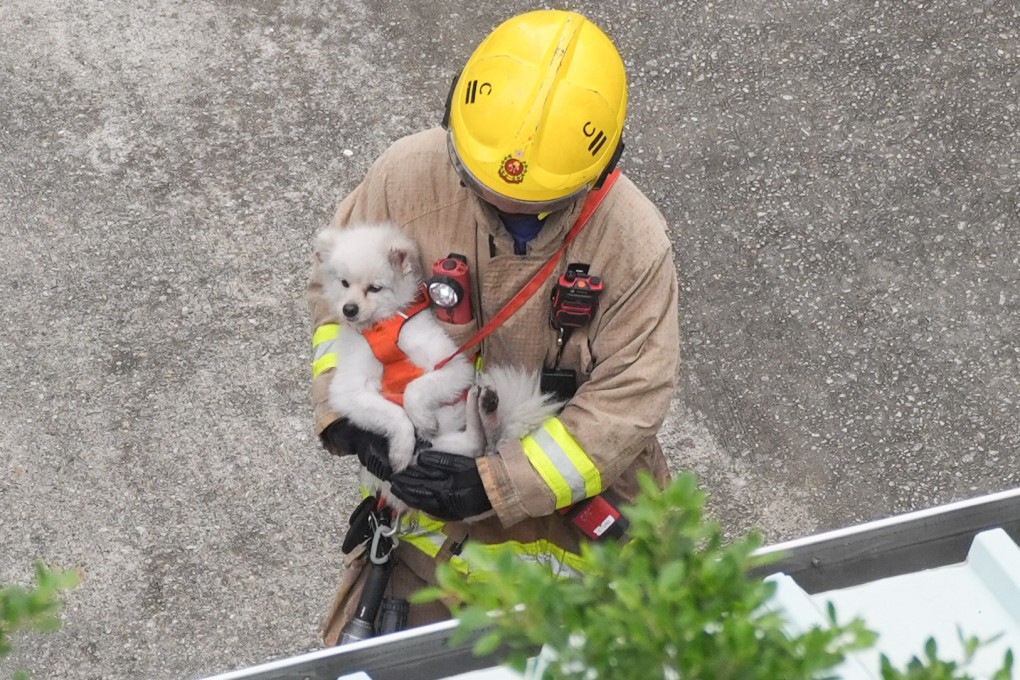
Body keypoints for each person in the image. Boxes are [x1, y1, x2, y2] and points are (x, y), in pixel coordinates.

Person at [307, 9, 680, 643]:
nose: (506, 212)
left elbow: (629, 403)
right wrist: (348, 416)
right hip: (429, 530)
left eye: (536, 205)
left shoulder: (633, 243)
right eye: (478, 186)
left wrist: (497, 483)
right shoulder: (405, 176)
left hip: (580, 531)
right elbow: (336, 302)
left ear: (601, 167)